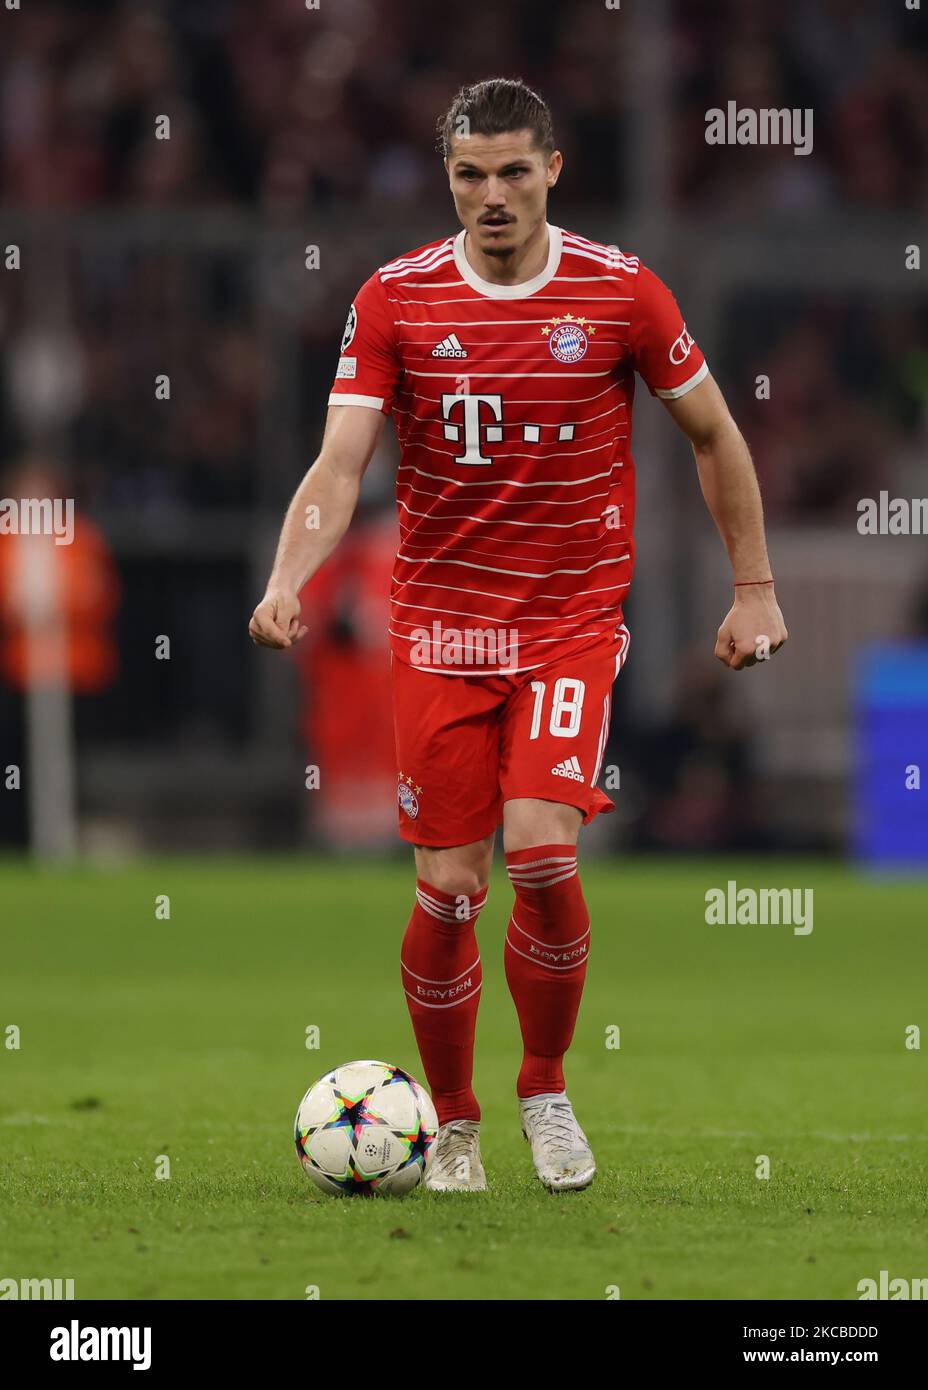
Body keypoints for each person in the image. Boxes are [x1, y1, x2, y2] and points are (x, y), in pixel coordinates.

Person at [249, 78, 787, 1194]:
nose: (490, 194)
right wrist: (289, 572)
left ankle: (544, 1086)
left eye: (510, 171)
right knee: (448, 888)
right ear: (446, 177)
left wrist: (754, 586)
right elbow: (341, 460)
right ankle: (452, 1123)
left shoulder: (620, 290)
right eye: (467, 174)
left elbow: (714, 433)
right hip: (438, 632)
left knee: (541, 850)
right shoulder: (394, 298)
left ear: (552, 168)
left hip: (566, 625)